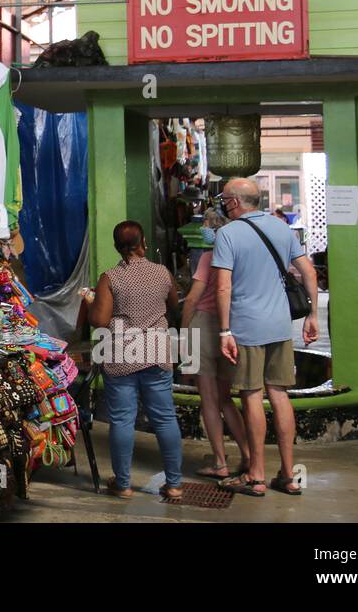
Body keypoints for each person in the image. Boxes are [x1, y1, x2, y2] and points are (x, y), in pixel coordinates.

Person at [212, 178, 320, 497]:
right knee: (280, 394)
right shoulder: (281, 228)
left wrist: (224, 330)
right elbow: (309, 272)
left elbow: (222, 287)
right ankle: (287, 474)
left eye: (224, 199)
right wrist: (312, 316)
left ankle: (256, 476)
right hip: (279, 325)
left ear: (233, 202)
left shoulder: (227, 234)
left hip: (246, 326)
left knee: (250, 394)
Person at [88, 220, 183, 502]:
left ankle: (124, 484)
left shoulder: (110, 278)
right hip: (156, 353)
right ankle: (175, 485)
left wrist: (90, 303)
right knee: (165, 419)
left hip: (122, 355)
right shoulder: (162, 273)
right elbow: (173, 305)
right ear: (142, 244)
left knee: (122, 420)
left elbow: (100, 321)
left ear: (117, 247)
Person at [181, 210, 249, 480]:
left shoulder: (209, 257)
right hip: (232, 328)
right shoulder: (239, 257)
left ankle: (220, 462)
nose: (205, 230)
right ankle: (247, 455)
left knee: (208, 400)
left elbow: (191, 299)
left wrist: (184, 334)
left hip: (205, 327)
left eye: (208, 225)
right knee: (226, 399)